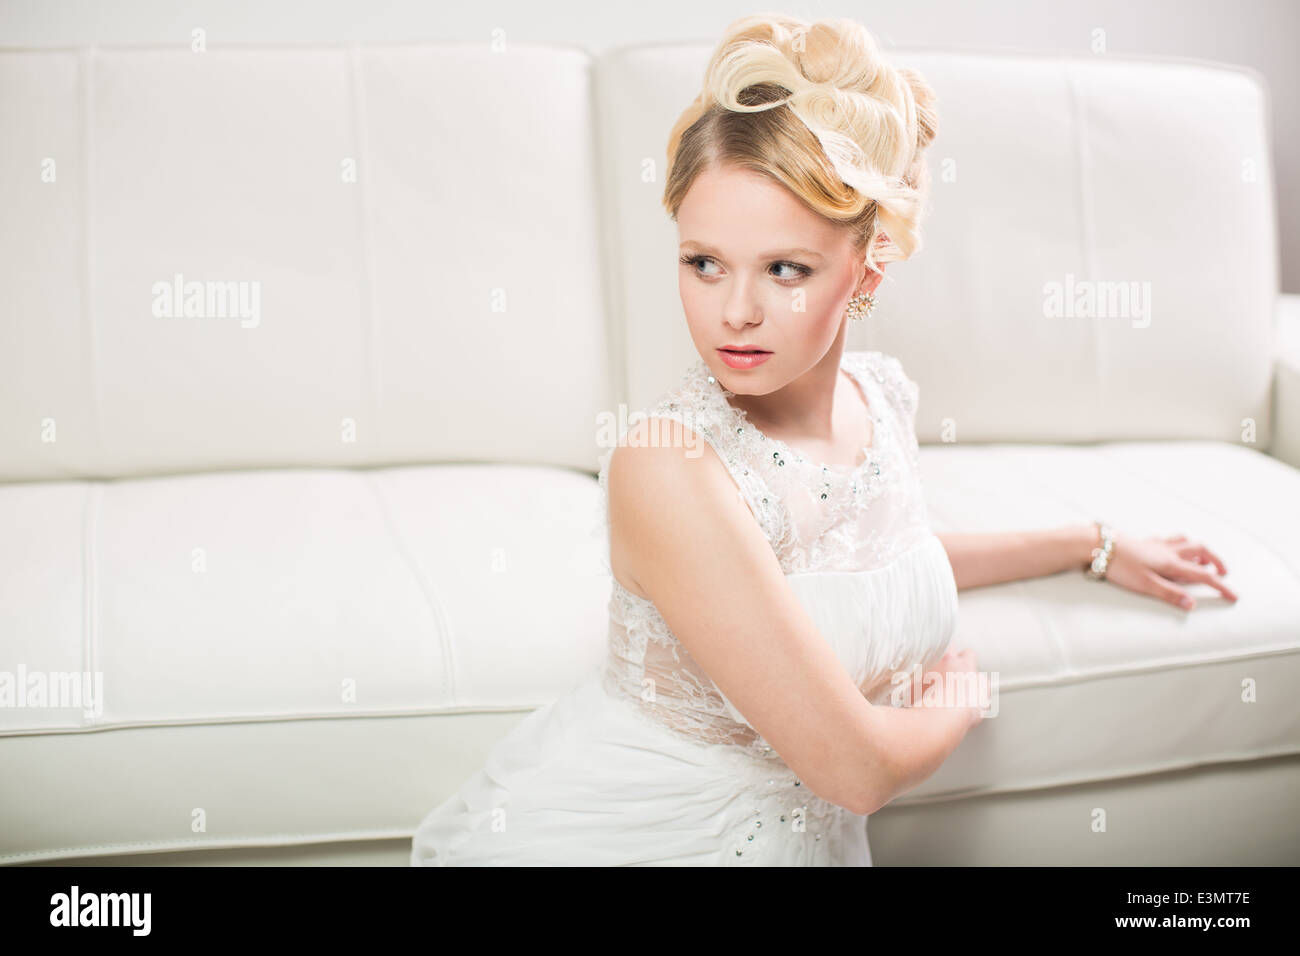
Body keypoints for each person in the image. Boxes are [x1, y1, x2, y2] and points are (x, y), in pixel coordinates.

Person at [410, 12, 1236, 867]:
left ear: (868, 266)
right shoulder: (668, 467)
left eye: (784, 269)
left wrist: (1088, 544)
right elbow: (857, 770)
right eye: (703, 263)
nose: (734, 310)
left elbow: (875, 560)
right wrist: (960, 695)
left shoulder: (878, 398)